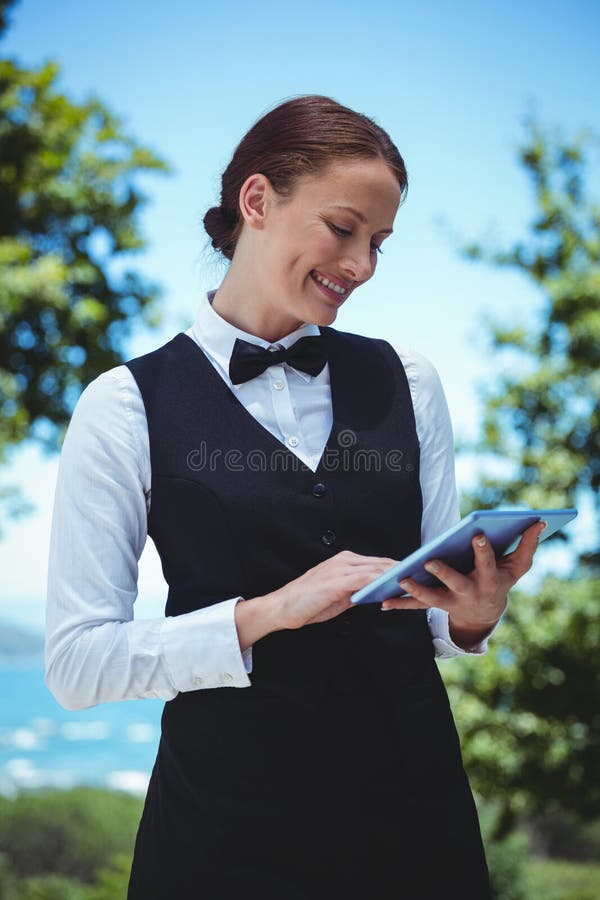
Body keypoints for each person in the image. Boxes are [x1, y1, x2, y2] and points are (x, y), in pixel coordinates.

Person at [45, 95, 543, 899]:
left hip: (415, 828)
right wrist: (262, 614)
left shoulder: (409, 383)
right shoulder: (124, 404)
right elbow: (75, 663)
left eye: (378, 243)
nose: (362, 266)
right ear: (257, 202)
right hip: (223, 839)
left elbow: (441, 629)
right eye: (343, 229)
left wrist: (476, 614)